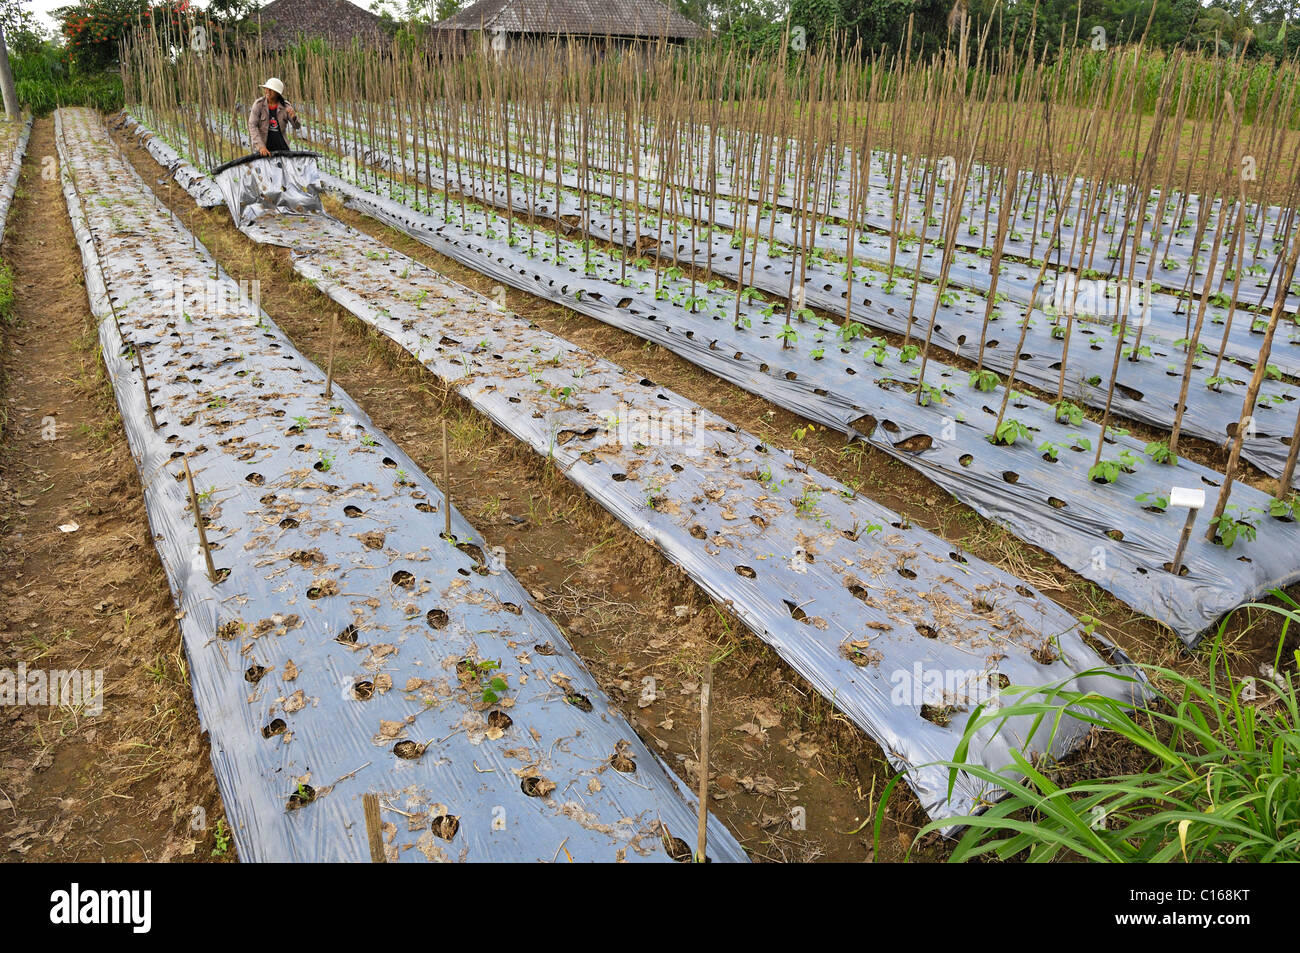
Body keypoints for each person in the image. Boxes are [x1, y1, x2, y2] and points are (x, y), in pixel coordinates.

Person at [248, 78, 300, 157]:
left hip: (282, 148)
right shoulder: (259, 104)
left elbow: (297, 126)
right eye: (266, 89)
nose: (267, 92)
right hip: (264, 149)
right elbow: (252, 125)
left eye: (271, 90)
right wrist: (261, 146)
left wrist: (294, 117)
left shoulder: (285, 106)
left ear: (277, 93)